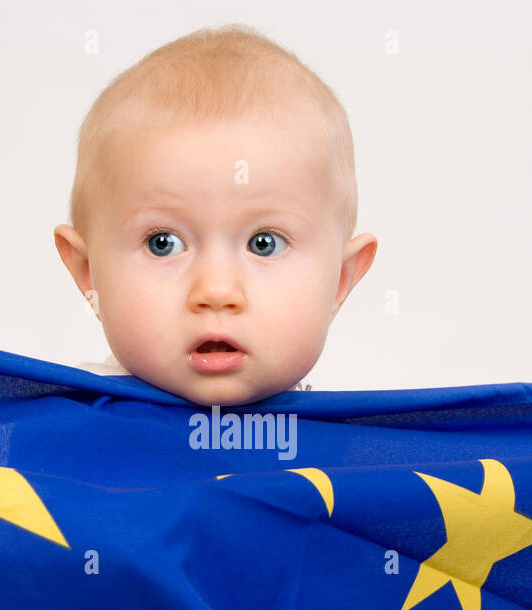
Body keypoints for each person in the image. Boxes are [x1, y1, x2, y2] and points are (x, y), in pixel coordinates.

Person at [55, 23, 377, 406]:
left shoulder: (352, 452)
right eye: (163, 244)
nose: (216, 292)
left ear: (340, 279)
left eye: (264, 244)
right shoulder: (58, 441)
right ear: (89, 272)